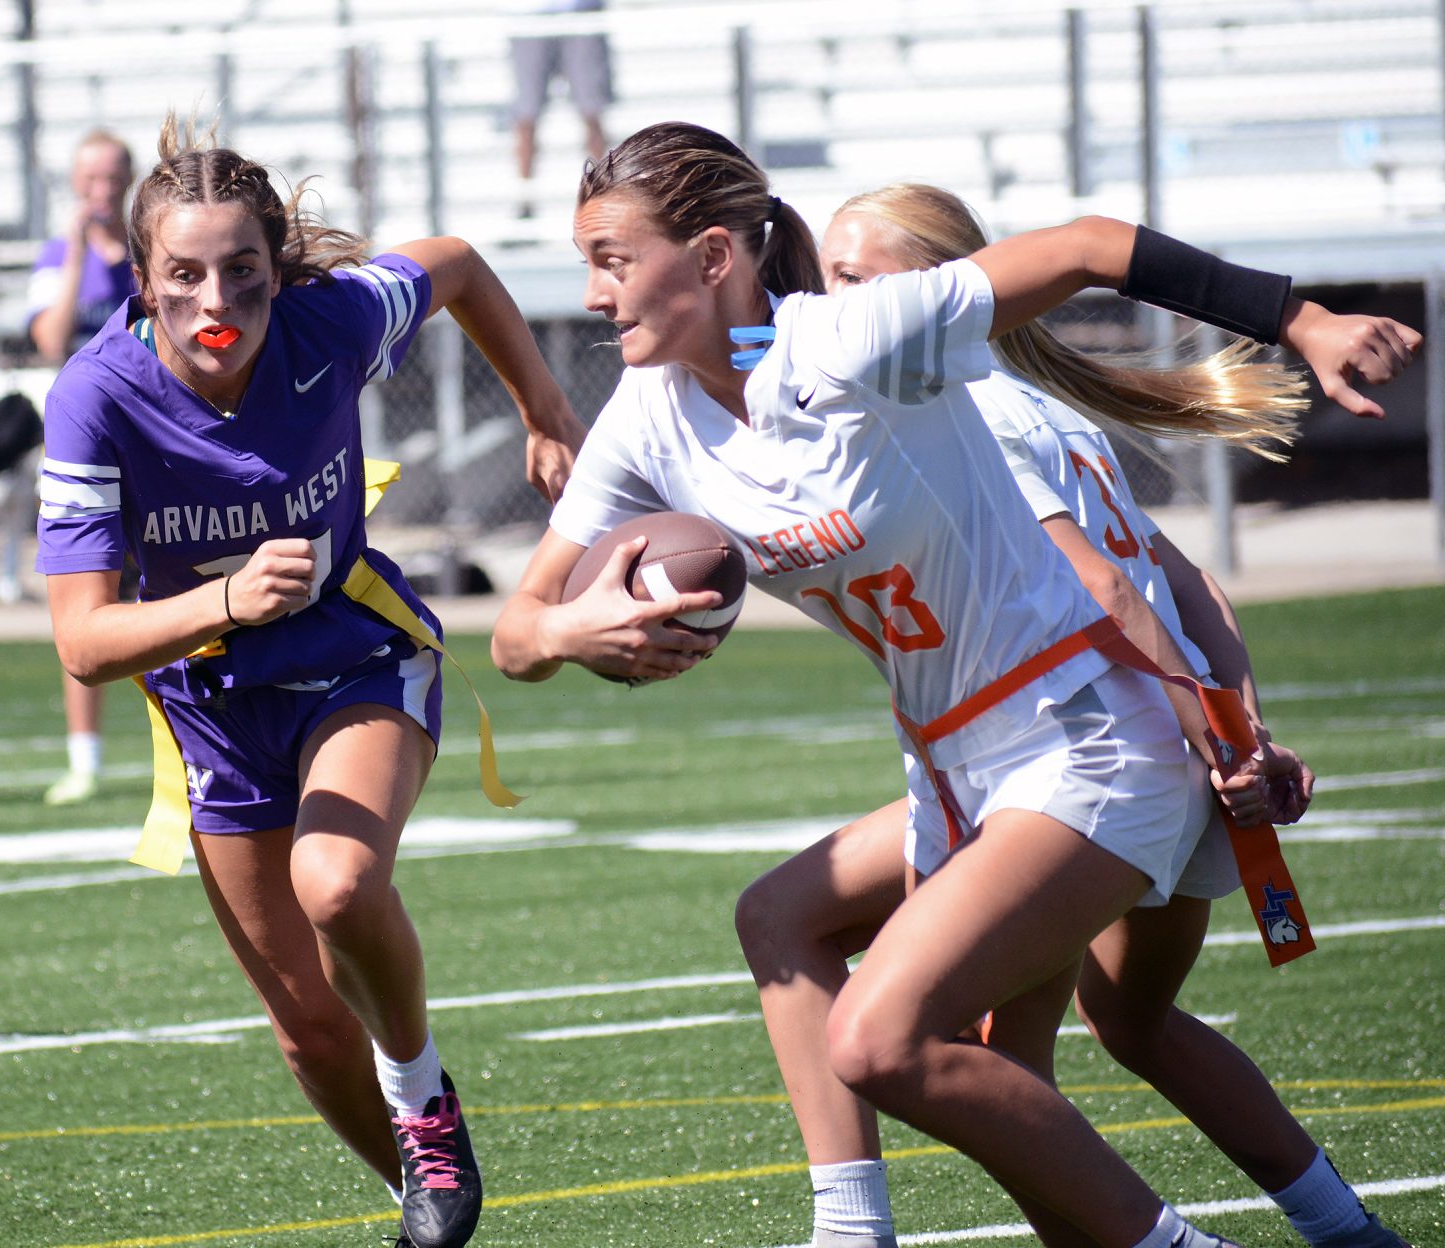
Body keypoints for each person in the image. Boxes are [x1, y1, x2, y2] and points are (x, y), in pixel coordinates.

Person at [488, 121, 1420, 1248]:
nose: (588, 292)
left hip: (1082, 731)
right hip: (956, 766)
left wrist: (1301, 320)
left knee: (886, 1041)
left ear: (715, 257)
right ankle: (864, 1230)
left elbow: (1085, 246)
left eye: (612, 258)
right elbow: (517, 630)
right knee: (967, 1066)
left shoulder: (851, 341)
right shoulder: (646, 416)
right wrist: (581, 627)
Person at [734, 182, 1410, 1248]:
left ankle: (858, 1228)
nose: (833, 305)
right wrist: (1239, 726)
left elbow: (1101, 585)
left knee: (917, 1014)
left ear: (936, 284)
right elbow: (1187, 581)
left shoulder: (954, 416)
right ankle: (1347, 1233)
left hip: (1090, 755)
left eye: (858, 281)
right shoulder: (1035, 404)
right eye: (829, 282)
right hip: (1174, 757)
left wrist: (1205, 720)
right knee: (1128, 1024)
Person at [35, 116, 586, 1248]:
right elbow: (83, 643)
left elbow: (462, 265)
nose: (213, 299)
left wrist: (545, 411)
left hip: (359, 657)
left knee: (336, 884)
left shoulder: (328, 322)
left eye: (241, 269)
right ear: (140, 282)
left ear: (276, 269)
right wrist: (224, 601)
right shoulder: (97, 397)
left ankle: (425, 1099)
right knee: (307, 1032)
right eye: (181, 275)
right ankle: (421, 1207)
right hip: (214, 707)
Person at [26, 129, 140, 806]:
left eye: (113, 177)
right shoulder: (56, 256)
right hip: (88, 454)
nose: (103, 190)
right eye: (92, 178)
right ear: (75, 184)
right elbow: (50, 338)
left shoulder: (156, 252)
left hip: (151, 447)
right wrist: (76, 252)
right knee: (85, 605)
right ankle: (85, 760)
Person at [505, 0, 612, 219]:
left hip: (579, 12)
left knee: (591, 111)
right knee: (526, 115)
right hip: (528, 15)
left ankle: (603, 195)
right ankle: (524, 203)